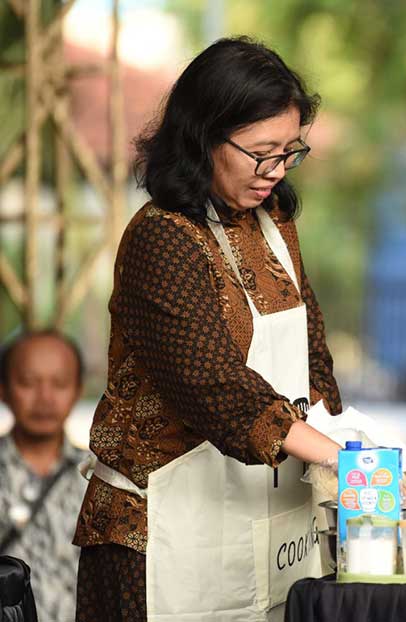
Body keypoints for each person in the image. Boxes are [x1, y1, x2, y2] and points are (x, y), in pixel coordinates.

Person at [73, 37, 344, 622]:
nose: (275, 171)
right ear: (203, 137)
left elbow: (310, 351)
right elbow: (211, 384)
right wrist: (332, 455)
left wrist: (346, 444)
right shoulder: (162, 238)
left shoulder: (273, 221)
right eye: (261, 153)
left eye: (290, 152)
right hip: (157, 530)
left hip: (260, 517)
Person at [0, 330, 88, 621]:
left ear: (77, 389)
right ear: (3, 388)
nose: (45, 398)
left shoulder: (99, 479)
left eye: (59, 383)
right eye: (28, 382)